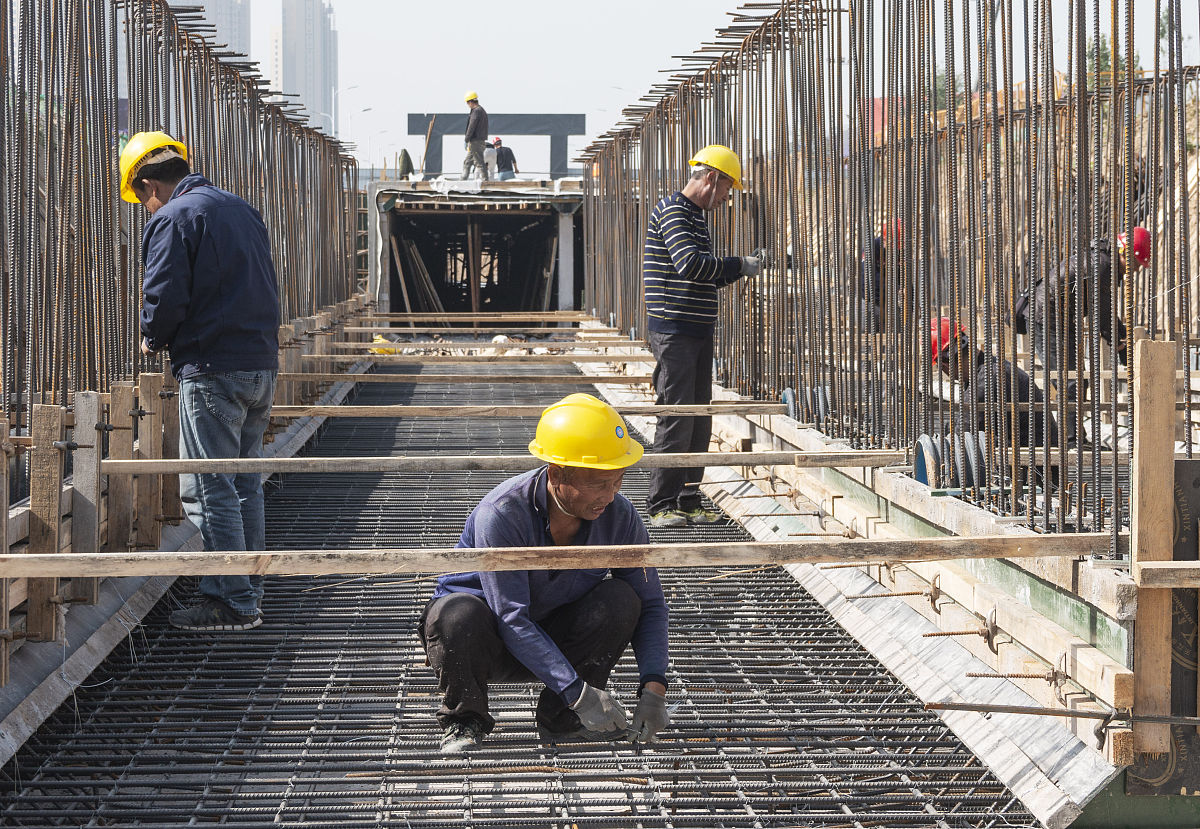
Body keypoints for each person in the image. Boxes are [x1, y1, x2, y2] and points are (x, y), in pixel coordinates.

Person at [420, 394, 671, 754]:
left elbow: (651, 604)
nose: (609, 495)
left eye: (618, 480)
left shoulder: (619, 516)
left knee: (621, 599)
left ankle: (564, 721)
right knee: (455, 614)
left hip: (554, 637)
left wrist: (654, 687)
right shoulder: (503, 514)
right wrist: (579, 694)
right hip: (486, 641)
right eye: (597, 483)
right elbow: (510, 616)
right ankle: (465, 719)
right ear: (556, 474)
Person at [119, 130, 280, 632]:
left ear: (149, 185)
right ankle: (249, 589)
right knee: (243, 483)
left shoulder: (173, 217)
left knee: (208, 487)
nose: (146, 209)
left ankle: (230, 600)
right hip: (260, 365)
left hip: (213, 370)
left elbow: (164, 293)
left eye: (142, 200)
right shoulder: (242, 209)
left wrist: (152, 337)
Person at [642, 143, 763, 528]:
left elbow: (703, 276)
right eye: (727, 187)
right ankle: (661, 504)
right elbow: (691, 265)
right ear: (711, 178)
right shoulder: (673, 211)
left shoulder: (695, 216)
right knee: (677, 415)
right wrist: (738, 263)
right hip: (675, 331)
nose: (727, 197)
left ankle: (688, 498)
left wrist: (739, 270)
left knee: (699, 416)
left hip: (696, 329)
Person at [1015, 228, 1148, 374]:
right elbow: (1101, 314)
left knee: (1076, 377)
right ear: (1125, 253)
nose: (1136, 270)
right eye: (1136, 264)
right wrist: (1120, 346)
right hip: (1046, 316)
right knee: (1067, 380)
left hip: (1060, 316)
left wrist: (1122, 336)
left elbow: (1105, 310)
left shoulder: (1102, 261)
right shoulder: (1102, 265)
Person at [931, 317, 1058, 450]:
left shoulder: (986, 381)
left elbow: (960, 439)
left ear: (945, 365)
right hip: (1027, 447)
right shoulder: (989, 367)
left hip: (1033, 457)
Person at [462, 91, 489, 181]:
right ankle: (462, 180)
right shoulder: (481, 110)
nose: (467, 105)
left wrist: (466, 139)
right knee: (467, 162)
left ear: (470, 101)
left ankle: (485, 182)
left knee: (479, 162)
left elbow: (471, 126)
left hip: (475, 141)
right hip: (478, 141)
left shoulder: (476, 111)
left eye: (467, 103)